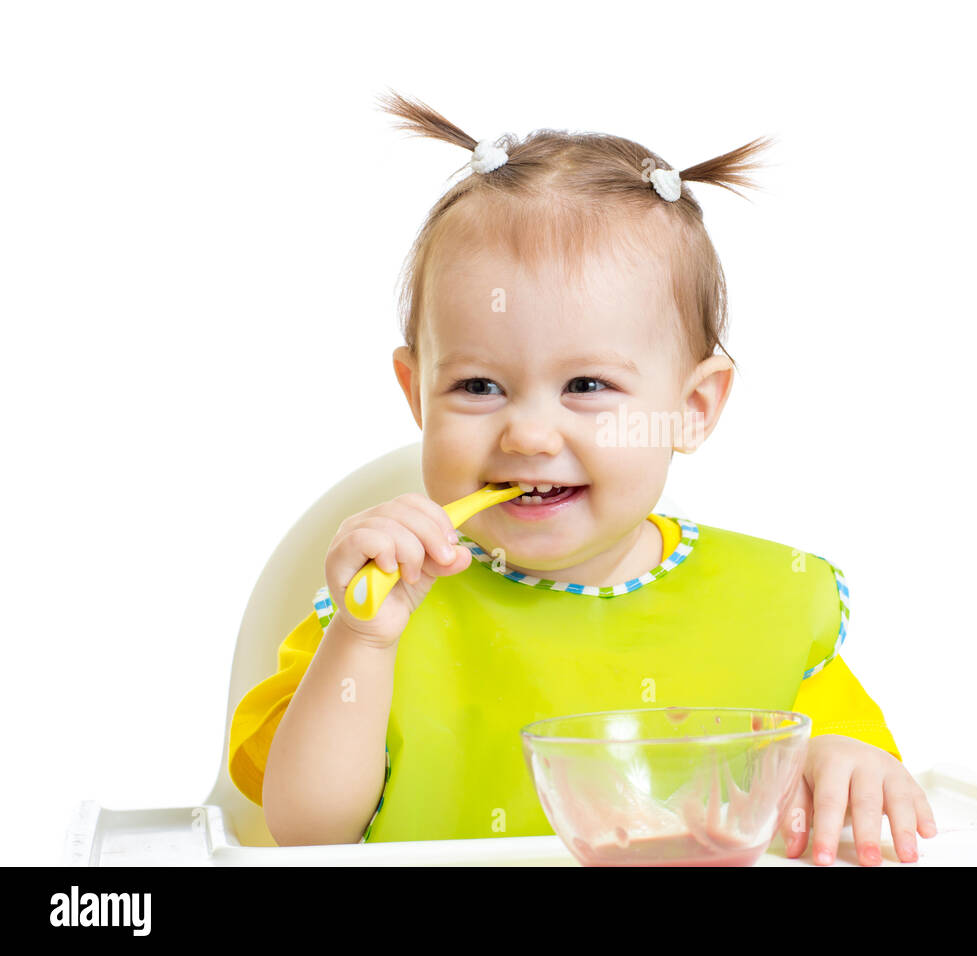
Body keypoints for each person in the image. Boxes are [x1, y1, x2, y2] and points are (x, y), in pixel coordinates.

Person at [228, 90, 937, 866]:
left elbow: (865, 798)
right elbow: (305, 832)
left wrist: (842, 766)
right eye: (477, 387)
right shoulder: (386, 604)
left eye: (587, 387)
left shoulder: (771, 601)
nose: (529, 434)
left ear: (692, 408)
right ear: (415, 393)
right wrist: (363, 639)